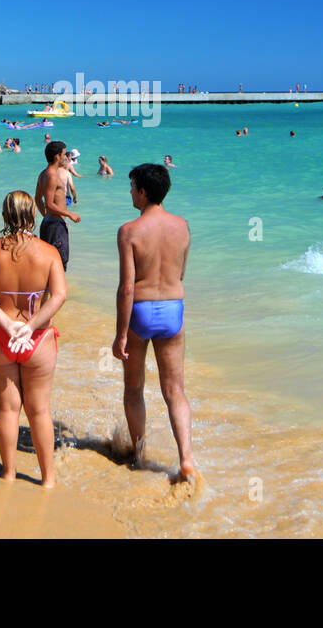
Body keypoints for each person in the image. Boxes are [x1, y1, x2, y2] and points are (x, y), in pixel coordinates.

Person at [0, 191, 67, 486]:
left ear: (4, 215)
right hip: (37, 338)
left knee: (7, 408)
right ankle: (48, 479)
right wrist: (30, 325)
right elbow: (60, 296)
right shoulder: (48, 252)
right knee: (39, 410)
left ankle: (9, 473)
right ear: (33, 215)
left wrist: (8, 325)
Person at [112, 163, 196, 482]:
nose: (130, 191)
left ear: (144, 191)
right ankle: (186, 460)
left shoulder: (129, 231)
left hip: (141, 312)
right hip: (173, 308)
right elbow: (182, 273)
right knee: (176, 391)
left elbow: (127, 287)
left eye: (132, 186)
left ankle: (139, 454)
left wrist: (121, 335)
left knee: (134, 387)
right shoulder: (183, 226)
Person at [35, 141, 79, 269]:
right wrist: (69, 214)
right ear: (57, 157)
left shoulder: (43, 174)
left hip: (48, 224)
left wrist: (46, 216)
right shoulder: (52, 176)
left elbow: (38, 199)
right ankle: (56, 289)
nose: (66, 157)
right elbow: (48, 204)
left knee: (47, 265)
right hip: (55, 227)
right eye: (64, 154)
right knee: (59, 264)